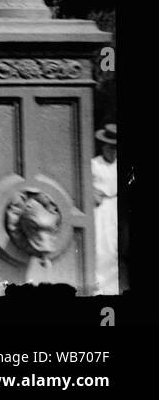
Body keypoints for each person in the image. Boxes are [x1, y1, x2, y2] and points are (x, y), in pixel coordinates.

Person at [91, 123, 118, 294]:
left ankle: (112, 287)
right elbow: (85, 184)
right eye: (110, 147)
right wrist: (93, 192)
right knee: (100, 247)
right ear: (103, 146)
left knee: (114, 247)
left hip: (115, 209)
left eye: (116, 148)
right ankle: (98, 286)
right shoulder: (94, 164)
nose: (113, 151)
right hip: (99, 210)